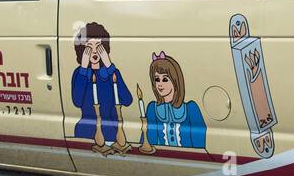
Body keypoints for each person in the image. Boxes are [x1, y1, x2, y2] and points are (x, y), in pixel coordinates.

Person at [71, 22, 132, 154]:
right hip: (85, 130)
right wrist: (83, 68)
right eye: (89, 47)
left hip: (112, 133)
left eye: (98, 47)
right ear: (82, 50)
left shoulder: (112, 72)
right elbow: (77, 102)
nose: (94, 52)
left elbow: (127, 100)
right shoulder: (79, 73)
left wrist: (109, 66)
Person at [142, 52, 207, 150]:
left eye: (164, 79)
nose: (159, 84)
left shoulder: (191, 108)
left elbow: (199, 144)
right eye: (156, 79)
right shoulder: (152, 109)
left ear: (175, 80)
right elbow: (148, 144)